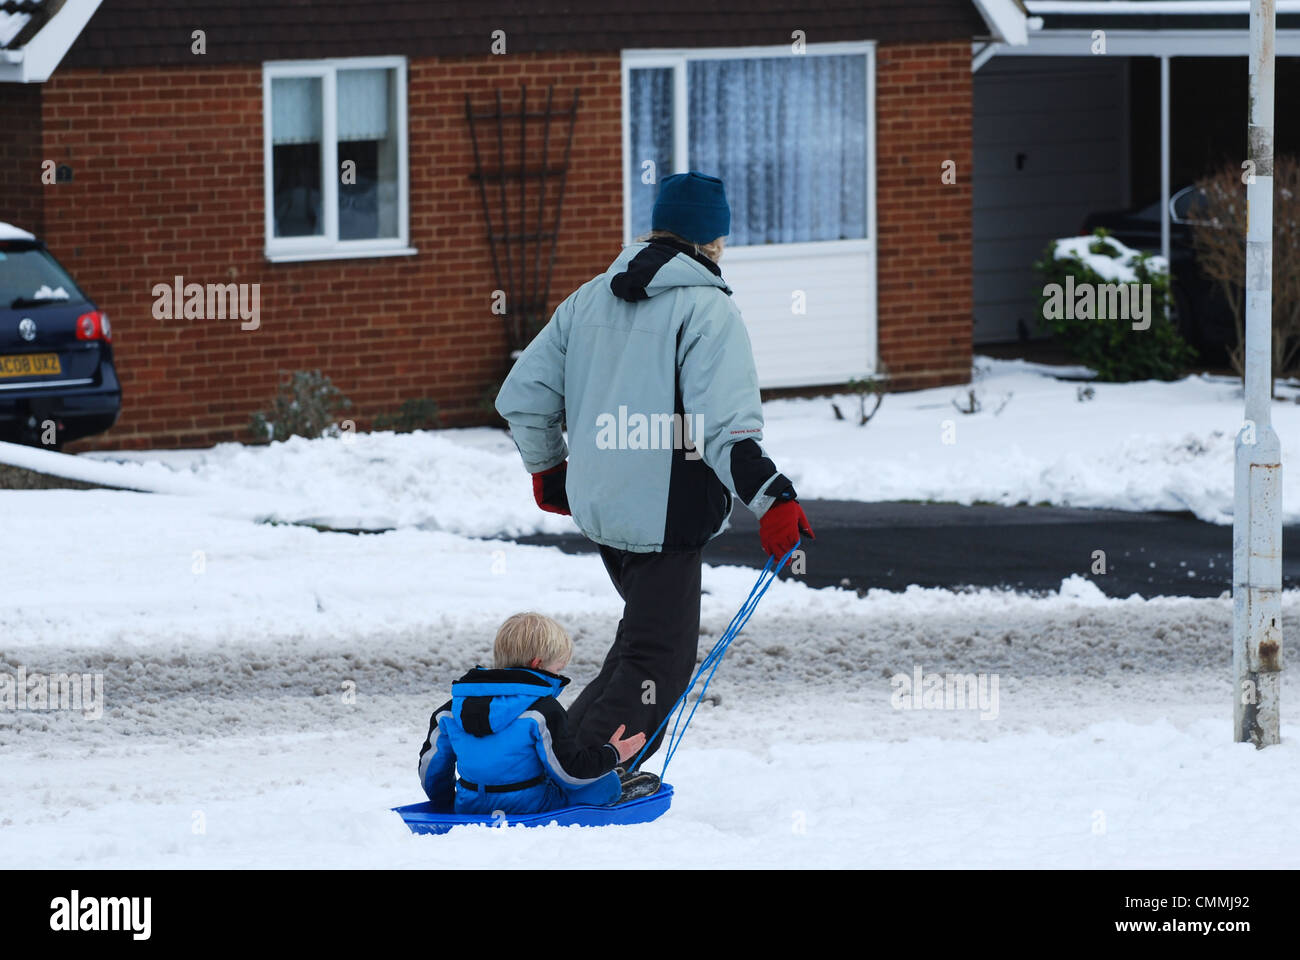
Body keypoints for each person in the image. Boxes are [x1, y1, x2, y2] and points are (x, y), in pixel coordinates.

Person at [495, 170, 813, 772]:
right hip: (668, 517)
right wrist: (774, 500)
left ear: (656, 225)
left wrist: (549, 469)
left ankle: (554, 758)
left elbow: (523, 396)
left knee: (638, 647)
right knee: (657, 663)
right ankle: (585, 770)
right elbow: (726, 428)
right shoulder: (707, 310)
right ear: (716, 239)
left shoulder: (589, 297)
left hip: (603, 509)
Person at [418, 612, 646, 814]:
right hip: (532, 805)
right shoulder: (542, 710)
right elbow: (570, 774)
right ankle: (614, 783)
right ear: (537, 664)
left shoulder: (450, 709)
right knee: (605, 784)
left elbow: (431, 768)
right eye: (557, 670)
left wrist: (445, 803)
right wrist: (612, 753)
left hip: (469, 805)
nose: (558, 677)